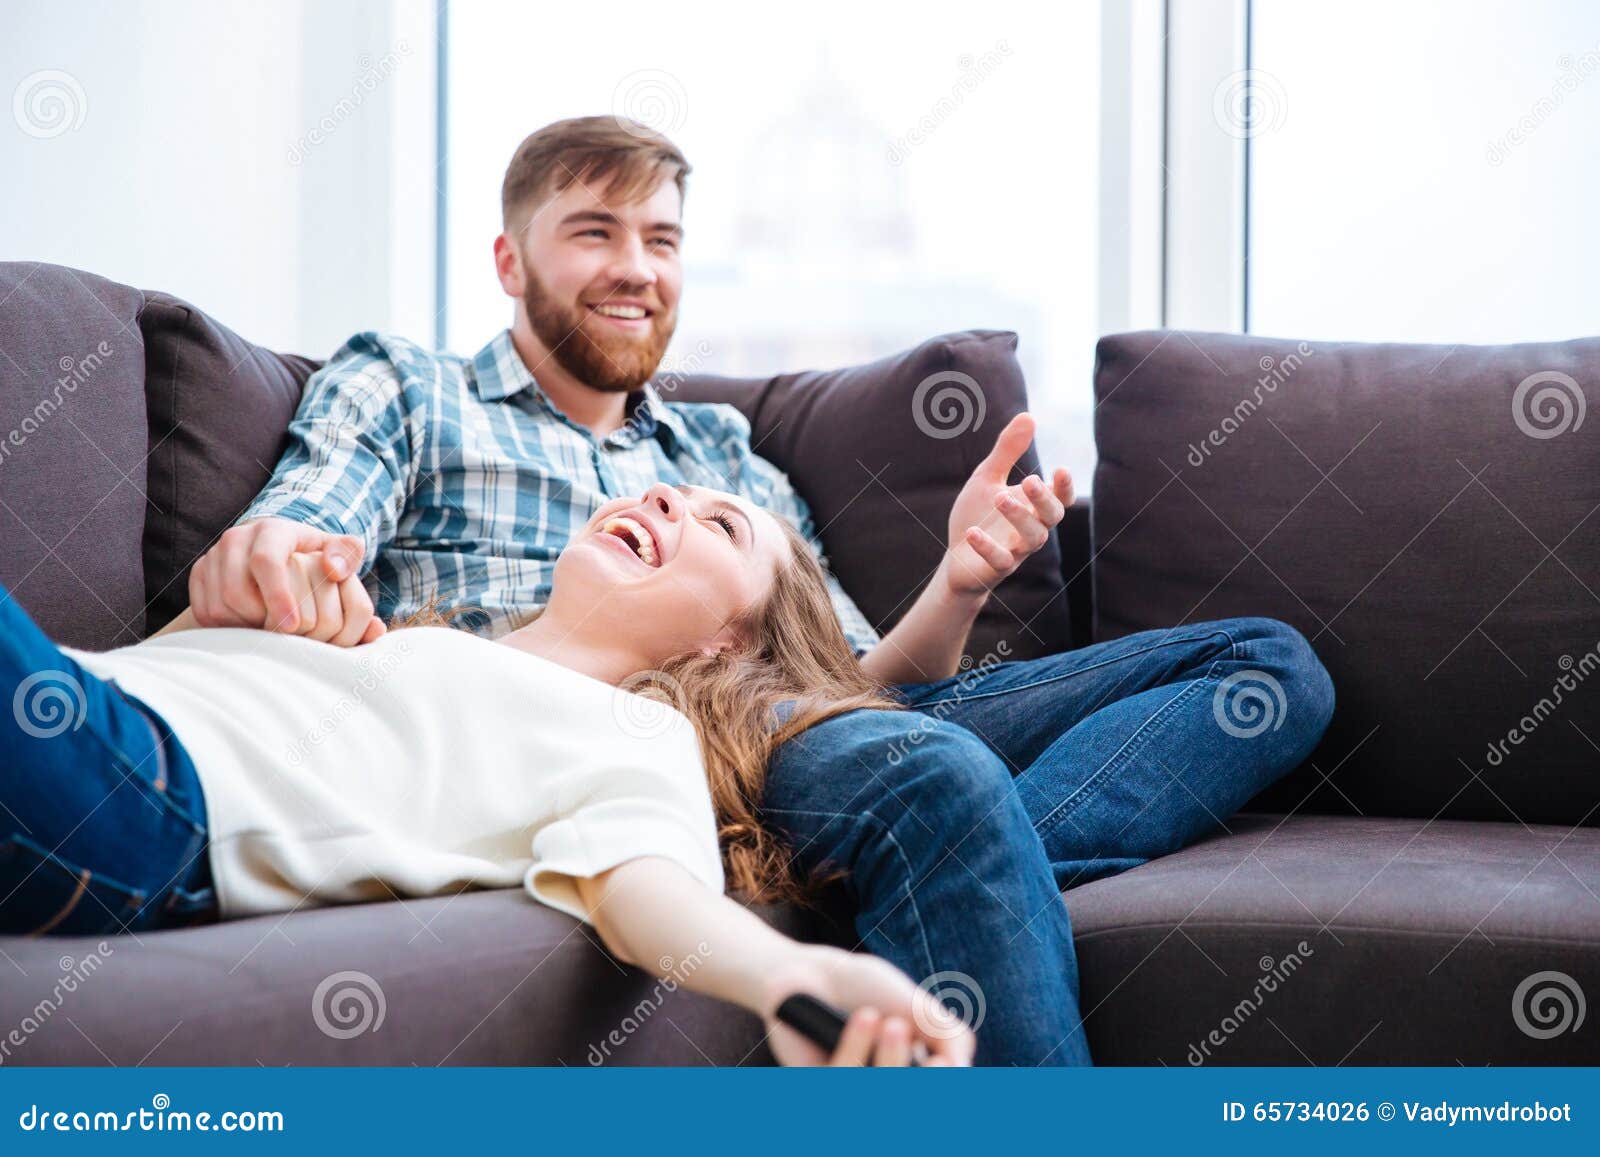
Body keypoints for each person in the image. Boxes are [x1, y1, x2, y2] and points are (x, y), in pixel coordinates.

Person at [182, 117, 1337, 1065]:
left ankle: (915, 863)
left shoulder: (723, 452)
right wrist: (273, 560)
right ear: (509, 261)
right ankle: (929, 860)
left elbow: (849, 678)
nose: (635, 266)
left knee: (1264, 666)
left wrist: (958, 581)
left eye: (661, 238)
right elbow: (304, 527)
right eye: (593, 231)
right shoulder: (409, 384)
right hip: (591, 728)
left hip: (780, 717)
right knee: (928, 779)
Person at [0, 483, 978, 1066]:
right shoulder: (410, 641)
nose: (669, 495)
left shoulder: (635, 733)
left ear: (731, 644)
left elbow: (644, 887)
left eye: (724, 528)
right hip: (90, 723)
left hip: (136, 798)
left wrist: (791, 975)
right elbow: (125, 671)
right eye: (671, 491)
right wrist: (226, 606)